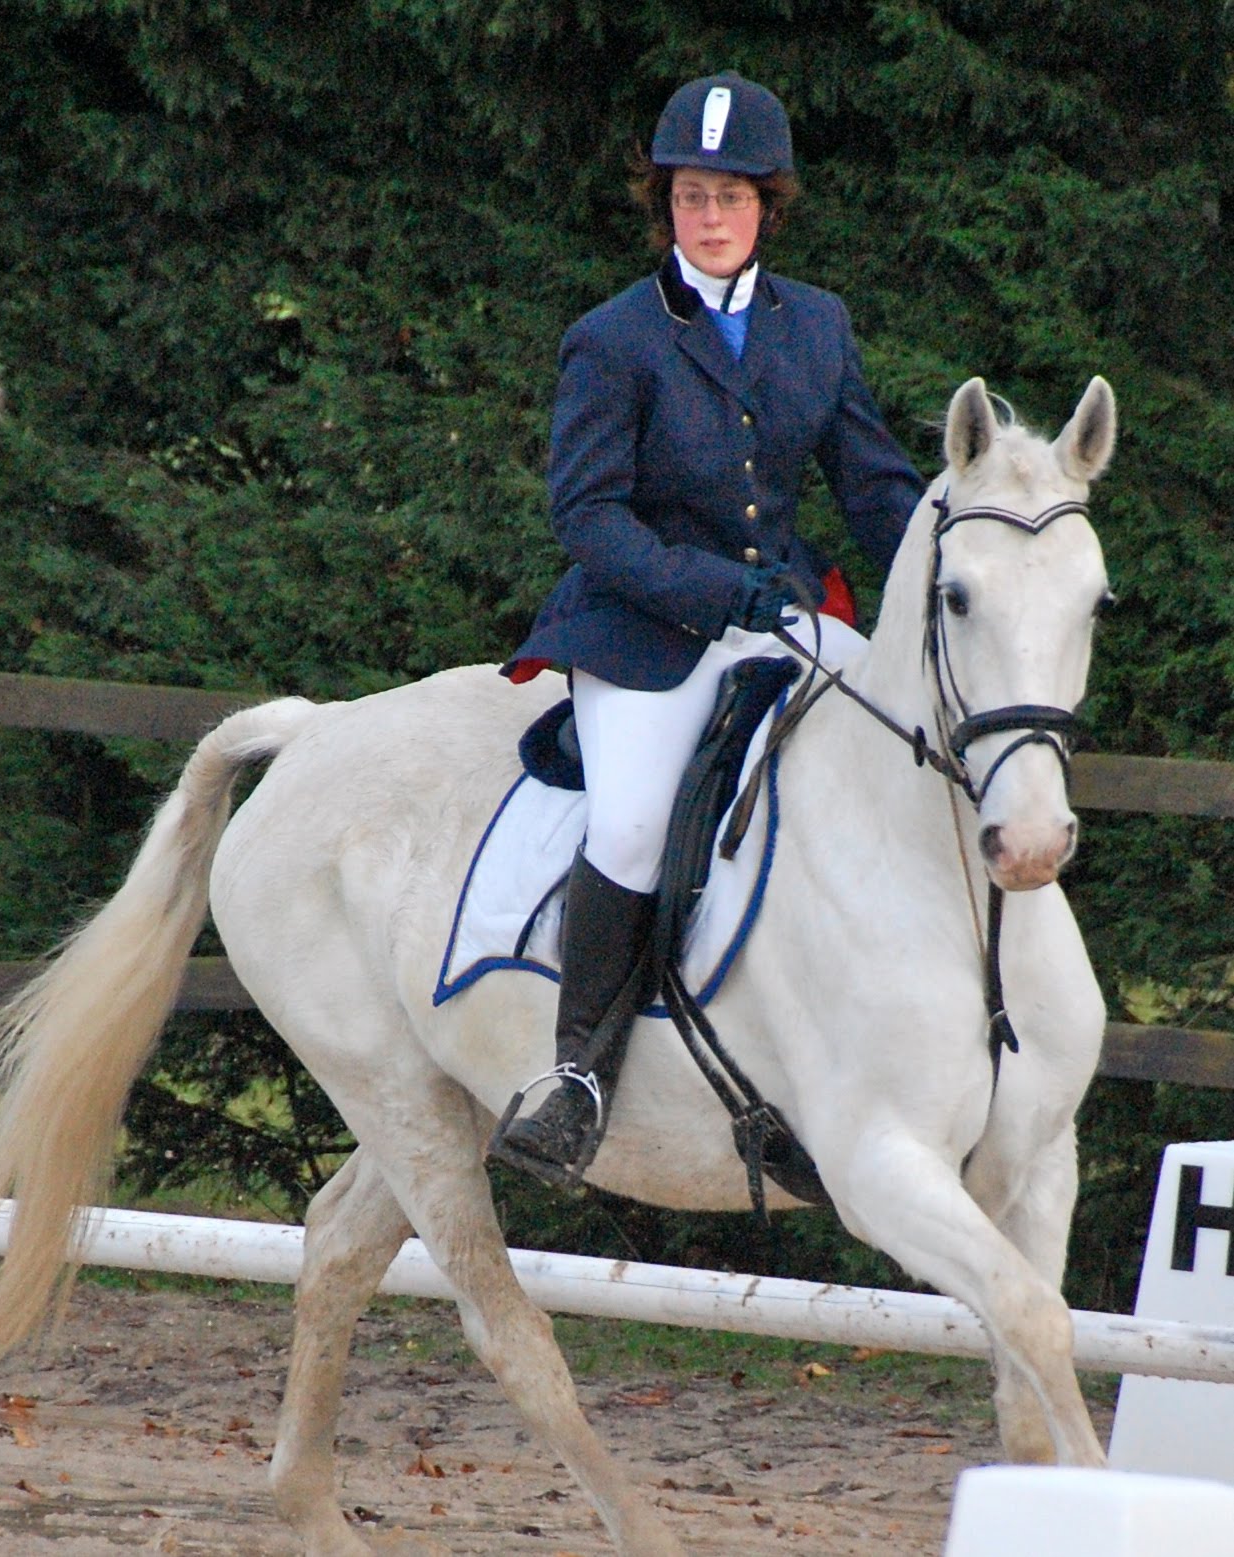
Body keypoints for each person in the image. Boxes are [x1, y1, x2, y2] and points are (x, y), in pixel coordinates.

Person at [490, 71, 926, 1186]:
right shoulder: (614, 339)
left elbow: (873, 487)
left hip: (779, 614)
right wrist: (698, 588)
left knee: (889, 753)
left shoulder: (816, 324)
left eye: (731, 197)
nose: (713, 217)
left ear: (765, 206)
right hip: (645, 631)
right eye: (692, 196)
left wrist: (943, 569)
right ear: (667, 205)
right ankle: (579, 1075)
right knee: (633, 825)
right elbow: (584, 513)